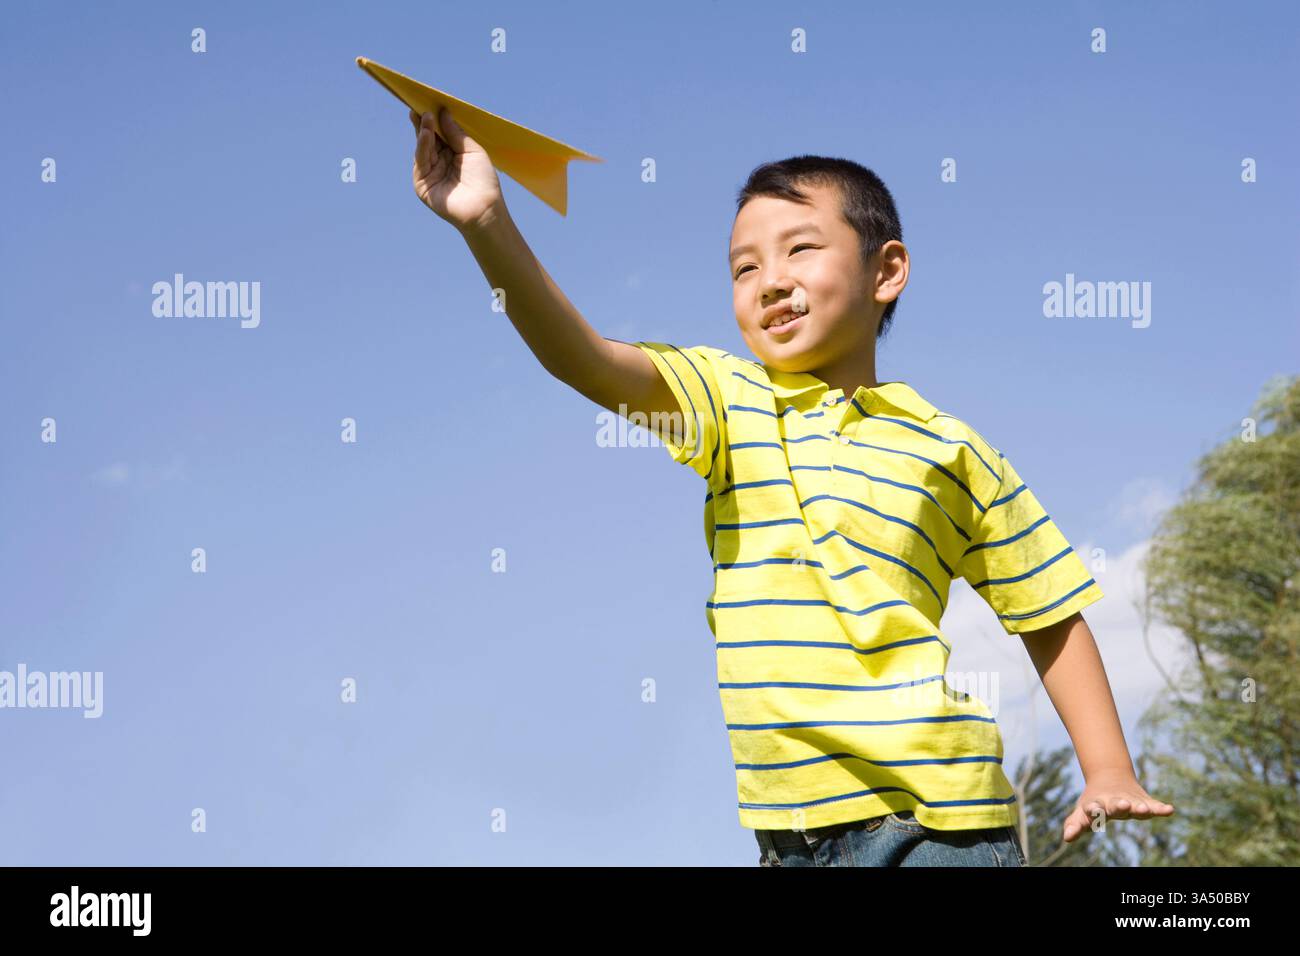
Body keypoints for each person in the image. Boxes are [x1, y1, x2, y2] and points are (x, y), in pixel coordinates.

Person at [406, 106, 1175, 866]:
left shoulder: (955, 449)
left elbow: (1046, 611)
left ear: (888, 270)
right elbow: (584, 359)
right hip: (788, 843)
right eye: (744, 267)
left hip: (939, 830)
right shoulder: (723, 403)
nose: (770, 281)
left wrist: (1107, 768)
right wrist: (485, 222)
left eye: (800, 250)